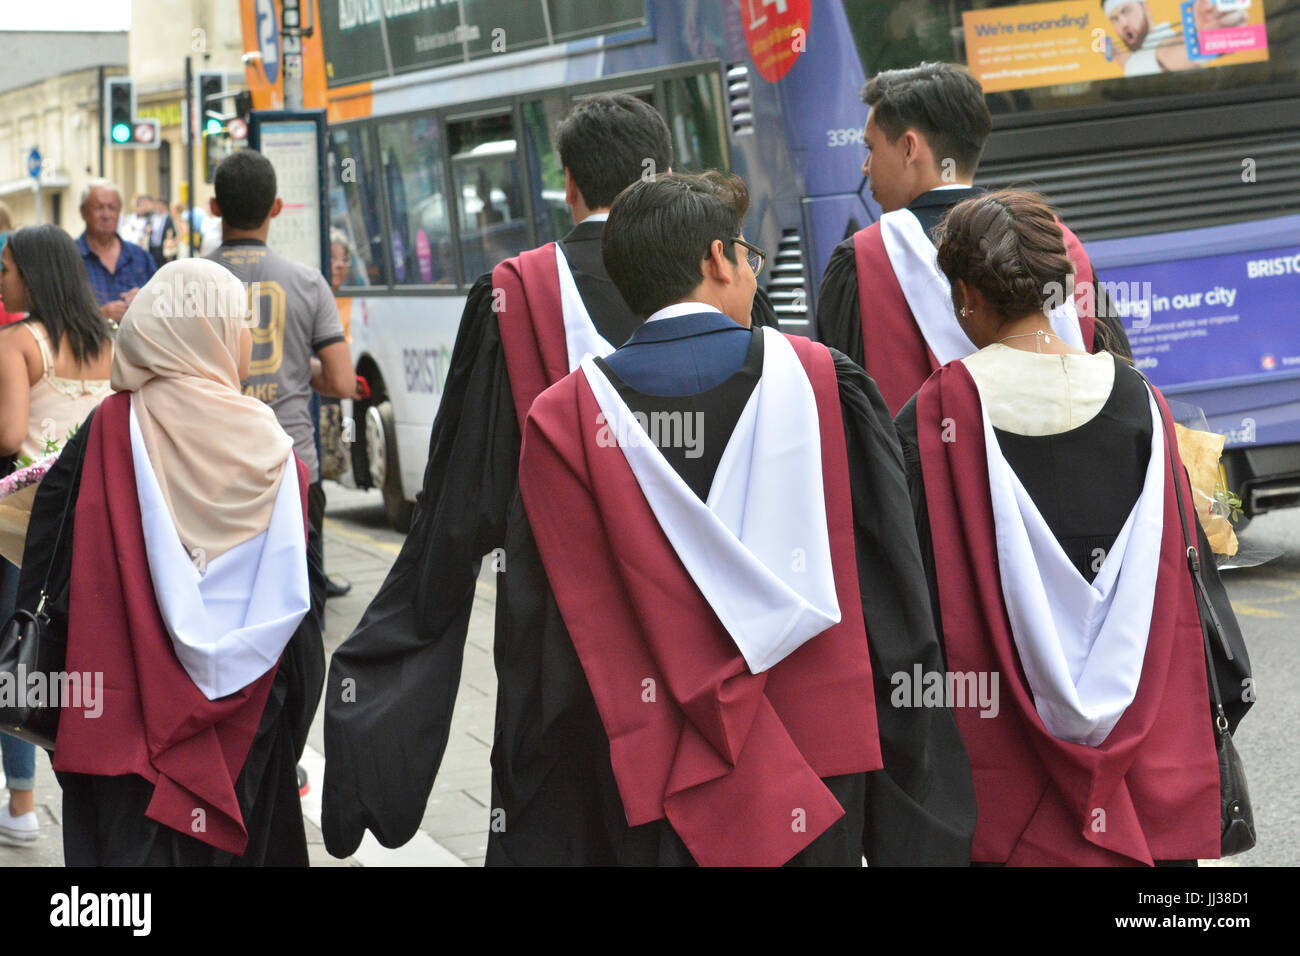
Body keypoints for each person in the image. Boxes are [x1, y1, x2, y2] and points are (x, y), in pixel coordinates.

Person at [321, 93, 782, 857]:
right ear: (660, 170)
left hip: (558, 639)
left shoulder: (514, 294)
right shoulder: (723, 279)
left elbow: (461, 501)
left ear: (565, 182)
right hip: (719, 626)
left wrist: (388, 667)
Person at [482, 171, 974, 865]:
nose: (751, 273)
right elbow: (894, 607)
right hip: (821, 777)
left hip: (653, 791)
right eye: (748, 254)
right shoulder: (826, 384)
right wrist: (913, 809)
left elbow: (541, 647)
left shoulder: (563, 421)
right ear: (717, 259)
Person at [894, 190, 1252, 865]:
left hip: (1000, 783)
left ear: (967, 293)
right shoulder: (1140, 403)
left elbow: (906, 605)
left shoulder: (931, 418)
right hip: (1147, 780)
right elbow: (1191, 578)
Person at [18, 257, 325, 865]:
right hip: (246, 733)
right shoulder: (271, 447)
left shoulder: (110, 428)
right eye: (240, 323)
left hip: (121, 729)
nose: (245, 338)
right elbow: (304, 615)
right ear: (208, 332)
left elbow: (49, 562)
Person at [815, 62, 1131, 416]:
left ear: (908, 148)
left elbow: (839, 414)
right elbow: (1118, 378)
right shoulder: (1057, 242)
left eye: (871, 149)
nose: (866, 167)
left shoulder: (861, 263)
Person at [206, 149, 360, 634]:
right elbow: (341, 382)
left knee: (226, 607)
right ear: (276, 208)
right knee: (301, 609)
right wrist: (301, 369)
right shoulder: (309, 283)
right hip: (292, 465)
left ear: (215, 208)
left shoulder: (187, 281)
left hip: (211, 470)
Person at [0, 224, 115, 846]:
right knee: (80, 658)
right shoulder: (107, 339)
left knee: (19, 655)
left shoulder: (19, 342)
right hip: (96, 523)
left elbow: (7, 432)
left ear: (34, 275)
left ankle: (21, 802)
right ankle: (88, 782)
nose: (2, 279)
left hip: (24, 528)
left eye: (8, 268)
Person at [76, 179, 157, 323]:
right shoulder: (69, 259)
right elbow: (57, 317)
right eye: (99, 208)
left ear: (120, 211)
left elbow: (164, 310)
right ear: (83, 212)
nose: (106, 215)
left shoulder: (141, 258)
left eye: (112, 208)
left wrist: (146, 302)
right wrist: (100, 316)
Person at [148, 196, 177, 268]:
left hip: (163, 249)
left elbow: (172, 234)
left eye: (160, 205)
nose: (158, 207)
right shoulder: (154, 217)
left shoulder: (169, 218)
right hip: (153, 248)